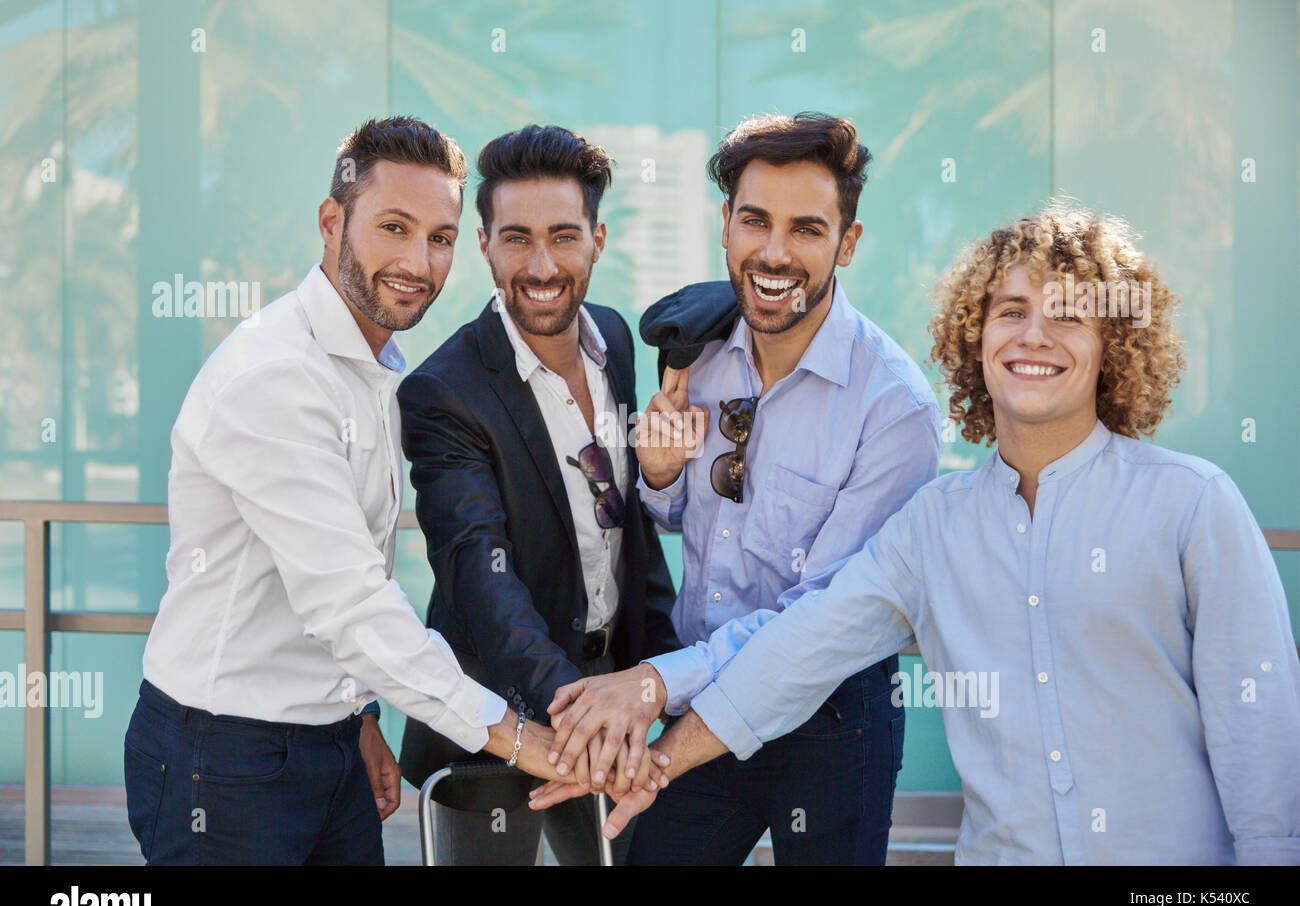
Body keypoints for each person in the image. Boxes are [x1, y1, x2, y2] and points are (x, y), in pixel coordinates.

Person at [537, 203, 1300, 865]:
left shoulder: (1194, 505)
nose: (1034, 336)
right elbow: (797, 649)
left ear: (1114, 347)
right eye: (1010, 311)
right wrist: (659, 751)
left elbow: (1259, 731)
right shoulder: (933, 526)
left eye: (1068, 314)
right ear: (976, 336)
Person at [123, 116, 662, 866]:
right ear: (331, 221)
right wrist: (521, 737)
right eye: (394, 228)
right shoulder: (276, 378)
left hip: (332, 747)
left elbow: (347, 580)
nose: (418, 261)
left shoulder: (375, 363)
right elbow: (351, 601)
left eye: (438, 237)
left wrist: (362, 716)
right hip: (224, 757)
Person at [544, 113, 942, 865]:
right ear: (726, 226)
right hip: (699, 693)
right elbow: (679, 514)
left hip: (831, 719)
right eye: (754, 220)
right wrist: (658, 477)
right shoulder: (699, 358)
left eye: (807, 229)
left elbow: (819, 621)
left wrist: (655, 686)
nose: (774, 252)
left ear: (847, 244)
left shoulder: (895, 409)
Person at [395, 125, 679, 865]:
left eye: (563, 236)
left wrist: (665, 677)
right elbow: (477, 576)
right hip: (498, 716)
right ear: (484, 244)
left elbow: (627, 537)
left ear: (597, 240)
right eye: (517, 239)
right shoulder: (441, 392)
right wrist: (580, 715)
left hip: (614, 705)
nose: (542, 265)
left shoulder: (615, 339)